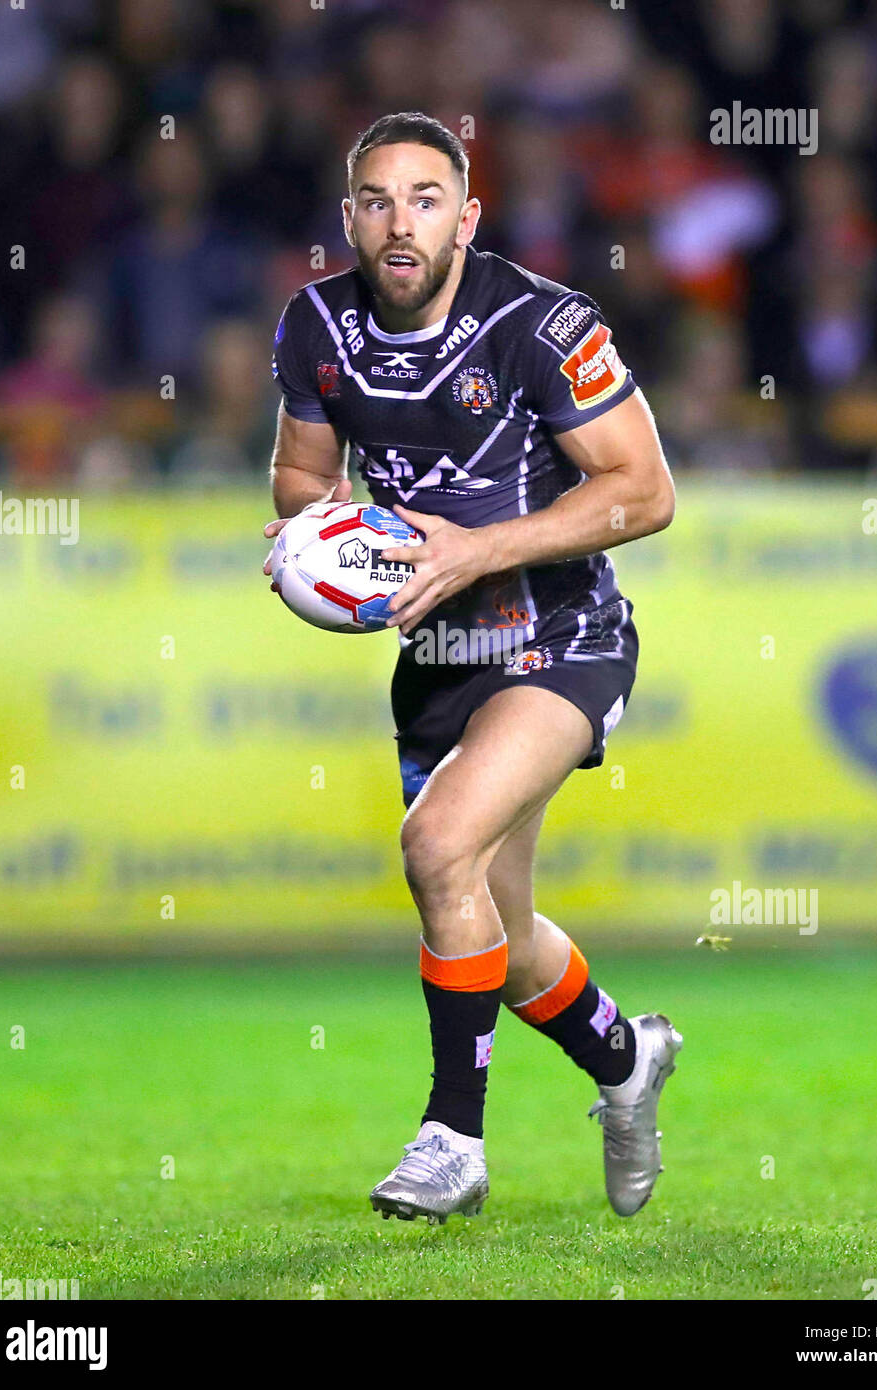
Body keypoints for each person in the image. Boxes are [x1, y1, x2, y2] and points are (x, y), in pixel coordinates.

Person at [264, 112, 681, 1224]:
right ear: (348, 215)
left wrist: (471, 550)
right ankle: (623, 1060)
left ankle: (452, 1137)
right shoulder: (313, 326)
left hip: (560, 634)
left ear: (467, 215)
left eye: (425, 197)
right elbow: (302, 478)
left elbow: (643, 491)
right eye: (376, 199)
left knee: (434, 846)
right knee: (490, 928)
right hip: (435, 659)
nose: (400, 222)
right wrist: (321, 547)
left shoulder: (539, 323)